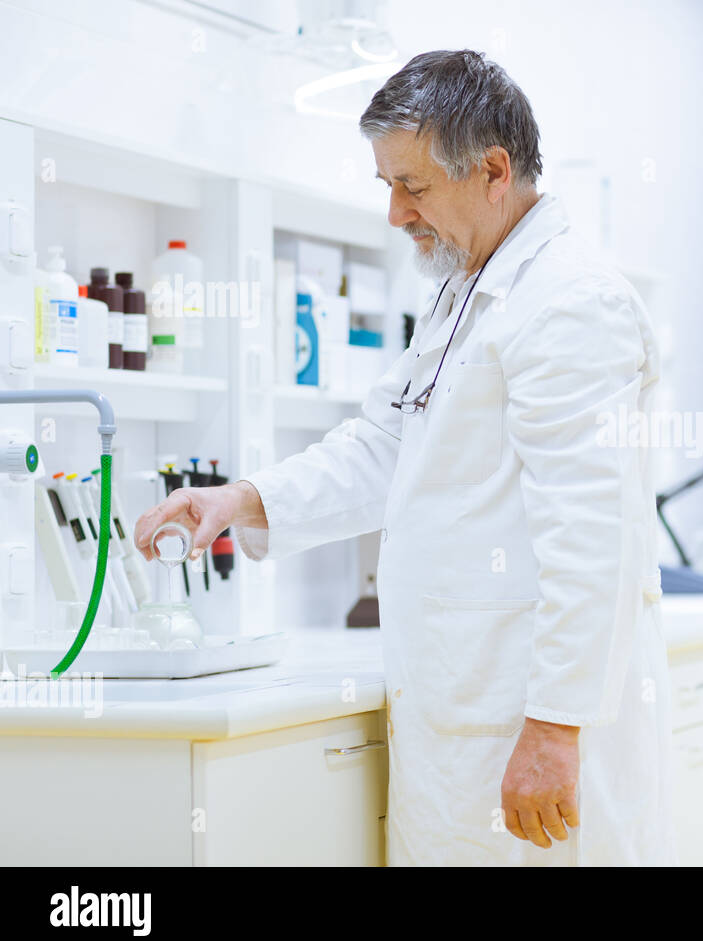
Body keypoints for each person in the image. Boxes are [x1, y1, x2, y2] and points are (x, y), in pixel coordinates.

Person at [134, 49, 674, 867]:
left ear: (493, 170)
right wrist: (239, 499)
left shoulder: (568, 303)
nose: (395, 214)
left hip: (525, 729)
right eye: (386, 184)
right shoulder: (465, 291)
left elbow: (592, 534)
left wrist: (556, 727)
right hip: (463, 718)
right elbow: (387, 447)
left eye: (411, 186)